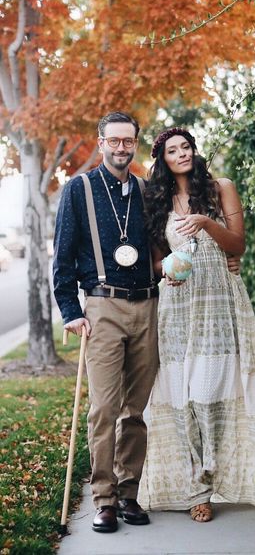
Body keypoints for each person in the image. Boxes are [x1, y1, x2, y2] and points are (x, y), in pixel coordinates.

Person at [138, 127, 255, 522]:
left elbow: (238, 245)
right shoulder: (157, 202)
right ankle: (197, 489)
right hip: (178, 307)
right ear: (162, 160)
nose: (181, 154)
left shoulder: (220, 188)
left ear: (195, 151)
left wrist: (206, 224)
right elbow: (157, 261)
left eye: (186, 147)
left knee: (210, 390)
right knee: (182, 397)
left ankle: (217, 471)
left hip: (219, 304)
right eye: (172, 150)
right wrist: (169, 271)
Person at [53, 111, 159, 534]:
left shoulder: (147, 191)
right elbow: (62, 255)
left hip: (147, 306)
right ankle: (104, 499)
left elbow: (161, 245)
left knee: (135, 410)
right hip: (102, 307)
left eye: (128, 141)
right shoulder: (78, 189)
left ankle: (129, 494)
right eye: (113, 141)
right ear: (100, 144)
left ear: (136, 144)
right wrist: (70, 311)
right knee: (103, 408)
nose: (120, 148)